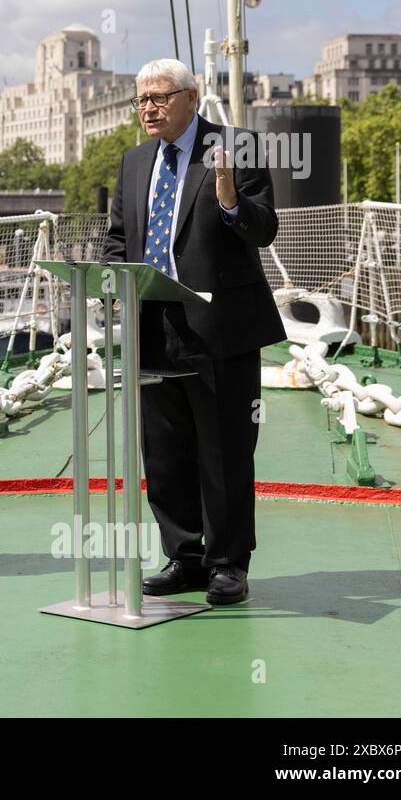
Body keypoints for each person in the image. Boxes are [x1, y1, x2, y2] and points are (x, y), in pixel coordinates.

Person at [100, 58, 284, 605]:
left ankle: (228, 564)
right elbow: (119, 240)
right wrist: (107, 281)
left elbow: (264, 230)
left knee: (225, 450)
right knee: (164, 451)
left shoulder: (235, 147)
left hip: (219, 327)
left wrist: (229, 199)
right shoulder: (134, 162)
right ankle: (183, 557)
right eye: (141, 100)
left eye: (159, 97)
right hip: (152, 325)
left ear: (191, 97)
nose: (148, 108)